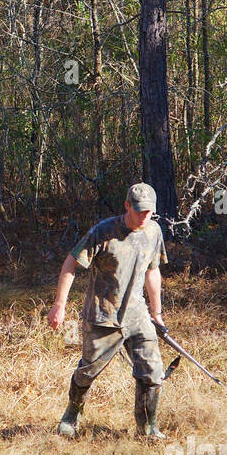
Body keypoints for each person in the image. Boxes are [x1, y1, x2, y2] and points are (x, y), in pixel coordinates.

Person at [47, 183, 169, 440]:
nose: (144, 216)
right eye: (138, 211)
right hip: (103, 316)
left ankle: (147, 429)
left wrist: (156, 312)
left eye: (149, 211)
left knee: (152, 372)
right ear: (127, 206)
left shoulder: (154, 231)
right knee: (87, 371)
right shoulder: (103, 232)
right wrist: (60, 305)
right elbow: (71, 263)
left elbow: (152, 270)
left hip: (137, 315)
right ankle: (72, 415)